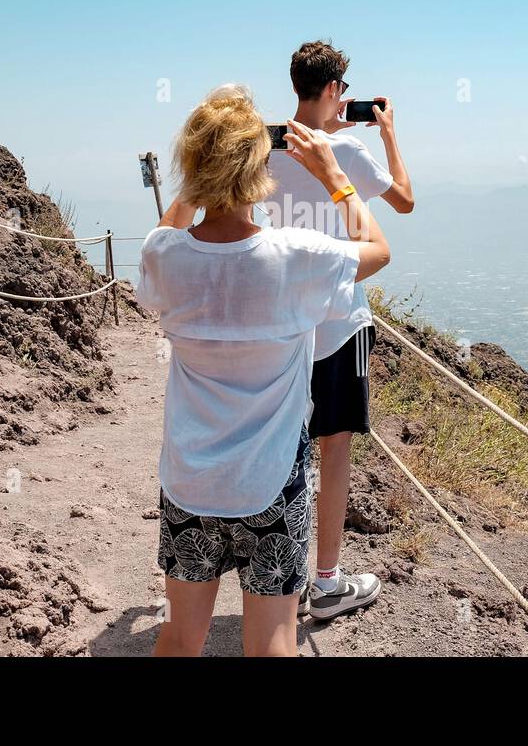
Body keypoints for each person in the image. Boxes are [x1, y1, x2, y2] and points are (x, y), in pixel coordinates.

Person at [136, 83, 391, 656]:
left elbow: (165, 231)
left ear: (194, 167)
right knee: (273, 641)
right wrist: (334, 176)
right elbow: (377, 248)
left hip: (190, 483)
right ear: (261, 166)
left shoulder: (165, 258)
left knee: (179, 636)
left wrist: (197, 176)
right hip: (272, 483)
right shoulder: (296, 256)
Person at [263, 40, 415, 621]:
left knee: (283, 446)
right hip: (340, 324)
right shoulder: (347, 151)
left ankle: (274, 570)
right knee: (334, 451)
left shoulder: (267, 146)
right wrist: (390, 136)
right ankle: (326, 581)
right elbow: (403, 202)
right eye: (342, 91)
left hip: (282, 320)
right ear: (331, 91)